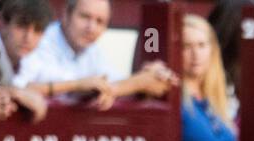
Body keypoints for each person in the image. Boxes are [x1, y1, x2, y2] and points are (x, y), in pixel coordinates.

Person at [15, 0, 178, 109]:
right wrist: (141, 81)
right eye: (85, 17)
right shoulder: (40, 39)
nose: (91, 27)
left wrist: (149, 78)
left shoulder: (92, 50)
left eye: (100, 22)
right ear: (65, 15)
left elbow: (106, 83)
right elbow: (82, 87)